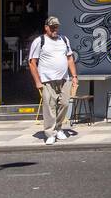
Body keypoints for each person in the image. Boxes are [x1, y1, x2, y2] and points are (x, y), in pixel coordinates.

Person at [28, 16, 79, 145]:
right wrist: (37, 82)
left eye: (56, 27)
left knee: (65, 104)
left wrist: (74, 77)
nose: (54, 29)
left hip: (64, 79)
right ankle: (50, 133)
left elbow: (69, 58)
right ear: (46, 28)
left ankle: (59, 127)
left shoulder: (64, 40)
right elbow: (32, 63)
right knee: (50, 107)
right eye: (52, 27)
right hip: (47, 80)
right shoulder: (39, 41)